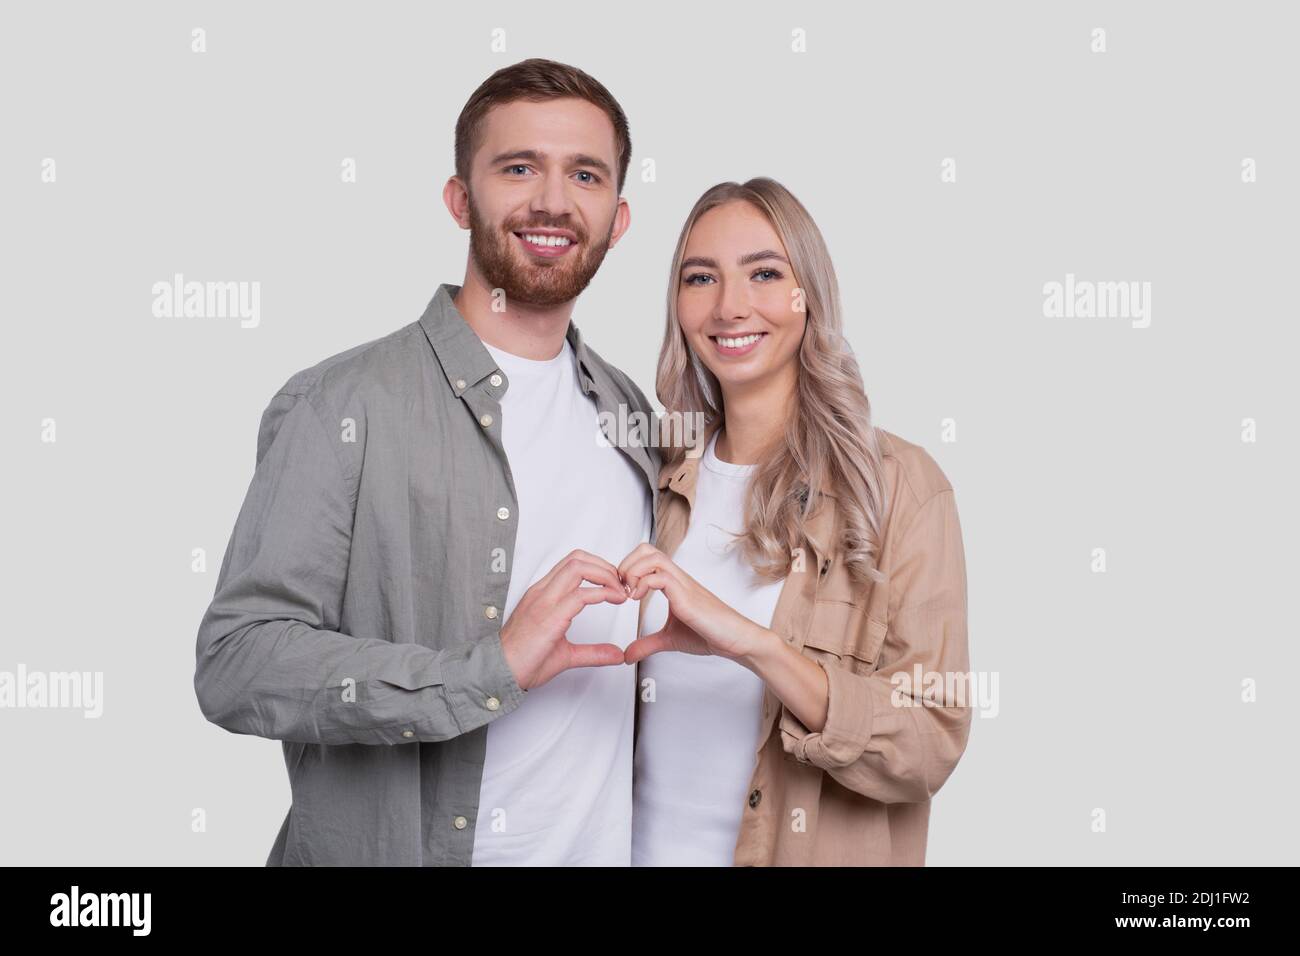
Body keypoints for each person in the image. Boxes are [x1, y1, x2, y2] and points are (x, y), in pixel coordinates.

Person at [194, 58, 658, 866]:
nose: (552, 200)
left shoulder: (634, 418)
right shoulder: (343, 405)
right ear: (459, 199)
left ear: (617, 218)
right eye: (518, 168)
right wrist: (487, 670)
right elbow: (236, 661)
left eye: (583, 174)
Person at [624, 177, 972, 865]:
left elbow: (931, 740)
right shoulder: (649, 475)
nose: (730, 306)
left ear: (806, 292)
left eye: (764, 273)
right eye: (701, 277)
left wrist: (756, 647)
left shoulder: (900, 486)